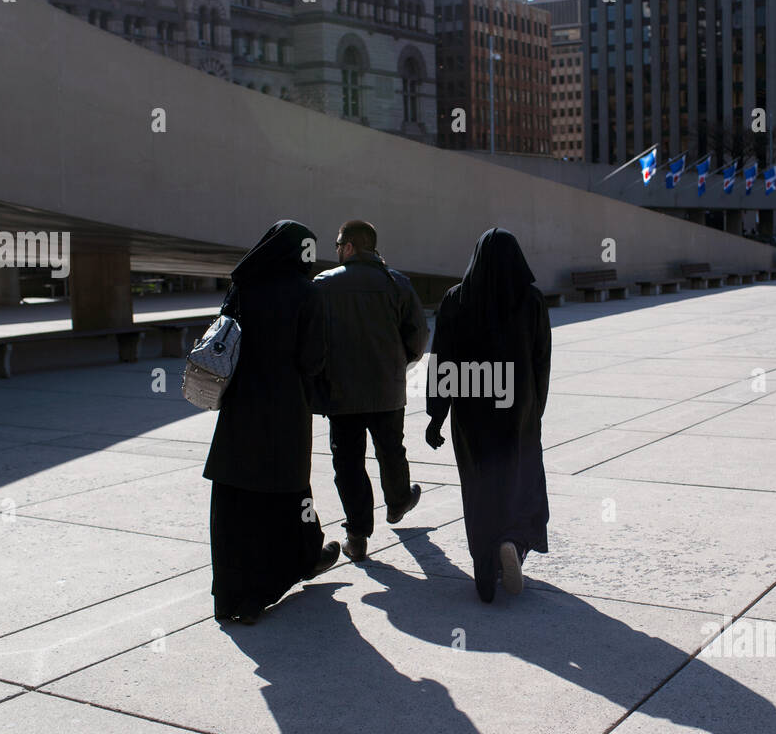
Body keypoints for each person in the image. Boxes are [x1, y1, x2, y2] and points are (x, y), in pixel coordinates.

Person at [203, 220, 340, 624]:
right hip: (284, 409)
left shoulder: (243, 287)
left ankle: (229, 595)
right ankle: (266, 586)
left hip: (239, 407)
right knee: (285, 492)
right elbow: (313, 359)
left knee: (234, 499)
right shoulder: (307, 294)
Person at [425, 228, 551, 603]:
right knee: (518, 479)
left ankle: (484, 566)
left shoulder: (456, 298)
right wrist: (535, 408)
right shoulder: (529, 299)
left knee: (478, 485)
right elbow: (541, 359)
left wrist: (436, 415)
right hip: (517, 407)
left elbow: (442, 359)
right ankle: (512, 540)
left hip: (471, 407)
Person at [311, 220, 429, 562]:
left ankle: (357, 535)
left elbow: (310, 337)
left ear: (348, 247)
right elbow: (418, 339)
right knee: (391, 450)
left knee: (348, 462)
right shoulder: (398, 283)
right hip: (387, 389)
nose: (336, 252)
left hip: (340, 392)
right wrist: (397, 362)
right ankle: (398, 502)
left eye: (337, 245)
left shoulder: (323, 285)